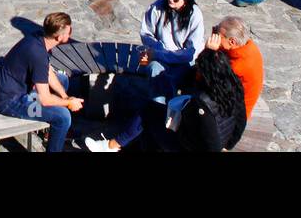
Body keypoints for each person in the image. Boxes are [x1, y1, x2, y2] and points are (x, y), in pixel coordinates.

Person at [85, 47, 245, 153]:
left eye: (199, 69)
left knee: (148, 114)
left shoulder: (201, 105)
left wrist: (175, 124)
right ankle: (120, 144)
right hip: (217, 138)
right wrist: (229, 145)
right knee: (150, 112)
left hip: (188, 147)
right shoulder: (235, 85)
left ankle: (113, 145)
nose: (196, 71)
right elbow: (240, 122)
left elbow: (212, 145)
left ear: (206, 75)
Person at [0, 12, 84, 153]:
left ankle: (51, 133)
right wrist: (69, 103)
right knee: (63, 116)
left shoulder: (39, 37)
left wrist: (64, 96)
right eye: (69, 31)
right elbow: (45, 100)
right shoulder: (37, 54)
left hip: (15, 88)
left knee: (62, 80)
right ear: (59, 37)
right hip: (9, 101)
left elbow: (47, 71)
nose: (70, 33)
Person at [139, 0, 205, 94]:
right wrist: (158, 50)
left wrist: (162, 55)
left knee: (175, 77)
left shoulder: (195, 14)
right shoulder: (157, 6)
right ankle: (159, 106)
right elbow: (146, 34)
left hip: (183, 59)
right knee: (154, 70)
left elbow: (191, 52)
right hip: (160, 55)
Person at [206, 16, 264, 119]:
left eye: (218, 35)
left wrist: (208, 52)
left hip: (234, 115)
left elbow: (206, 79)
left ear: (232, 41)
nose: (215, 37)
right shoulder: (248, 46)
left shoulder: (238, 65)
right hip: (234, 98)